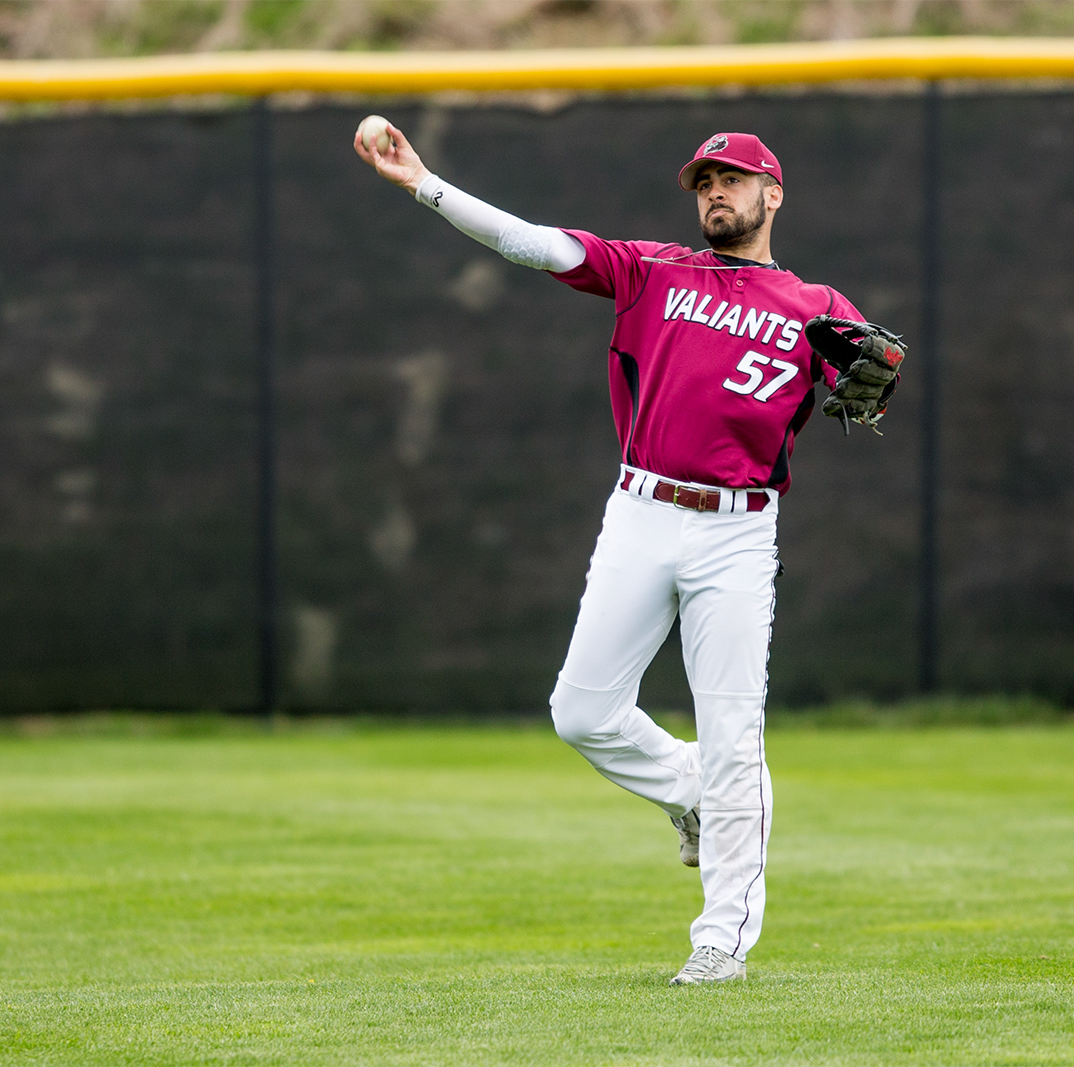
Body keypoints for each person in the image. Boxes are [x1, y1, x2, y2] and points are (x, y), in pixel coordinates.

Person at [354, 122, 899, 984]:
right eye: (704, 182)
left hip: (738, 529)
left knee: (732, 737)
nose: (715, 192)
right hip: (640, 508)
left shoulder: (816, 305)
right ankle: (691, 792)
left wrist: (874, 377)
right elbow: (531, 244)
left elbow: (870, 375)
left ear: (773, 195)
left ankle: (720, 939)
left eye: (733, 179)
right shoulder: (652, 270)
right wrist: (425, 183)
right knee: (582, 712)